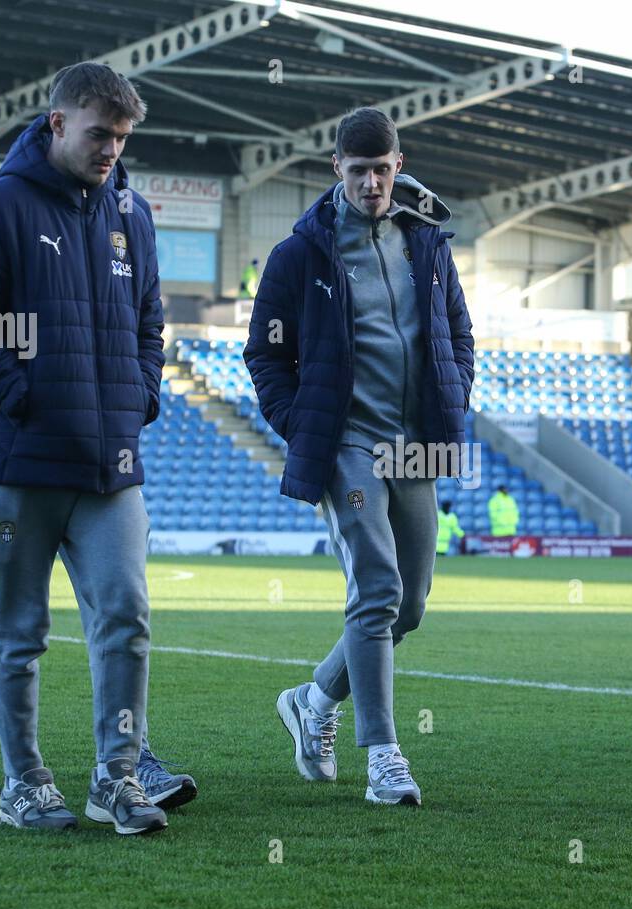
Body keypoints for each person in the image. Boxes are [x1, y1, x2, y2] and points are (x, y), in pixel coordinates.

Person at [0, 62, 175, 835]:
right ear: (58, 122)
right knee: (19, 630)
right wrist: (25, 399)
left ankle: (119, 779)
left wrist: (142, 396)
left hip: (110, 467)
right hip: (20, 465)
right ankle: (25, 783)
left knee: (127, 616)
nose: (112, 148)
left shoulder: (130, 215)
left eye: (123, 136)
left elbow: (148, 325)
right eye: (100, 132)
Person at [244, 107, 474, 807]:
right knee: (376, 592)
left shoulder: (427, 242)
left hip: (418, 447)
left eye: (382, 168)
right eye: (358, 169)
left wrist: (455, 395)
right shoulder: (299, 255)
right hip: (349, 446)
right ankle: (384, 755)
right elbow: (264, 352)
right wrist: (303, 424)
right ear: (335, 170)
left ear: (397, 166)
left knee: (409, 608)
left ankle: (313, 700)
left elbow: (457, 331)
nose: (371, 181)